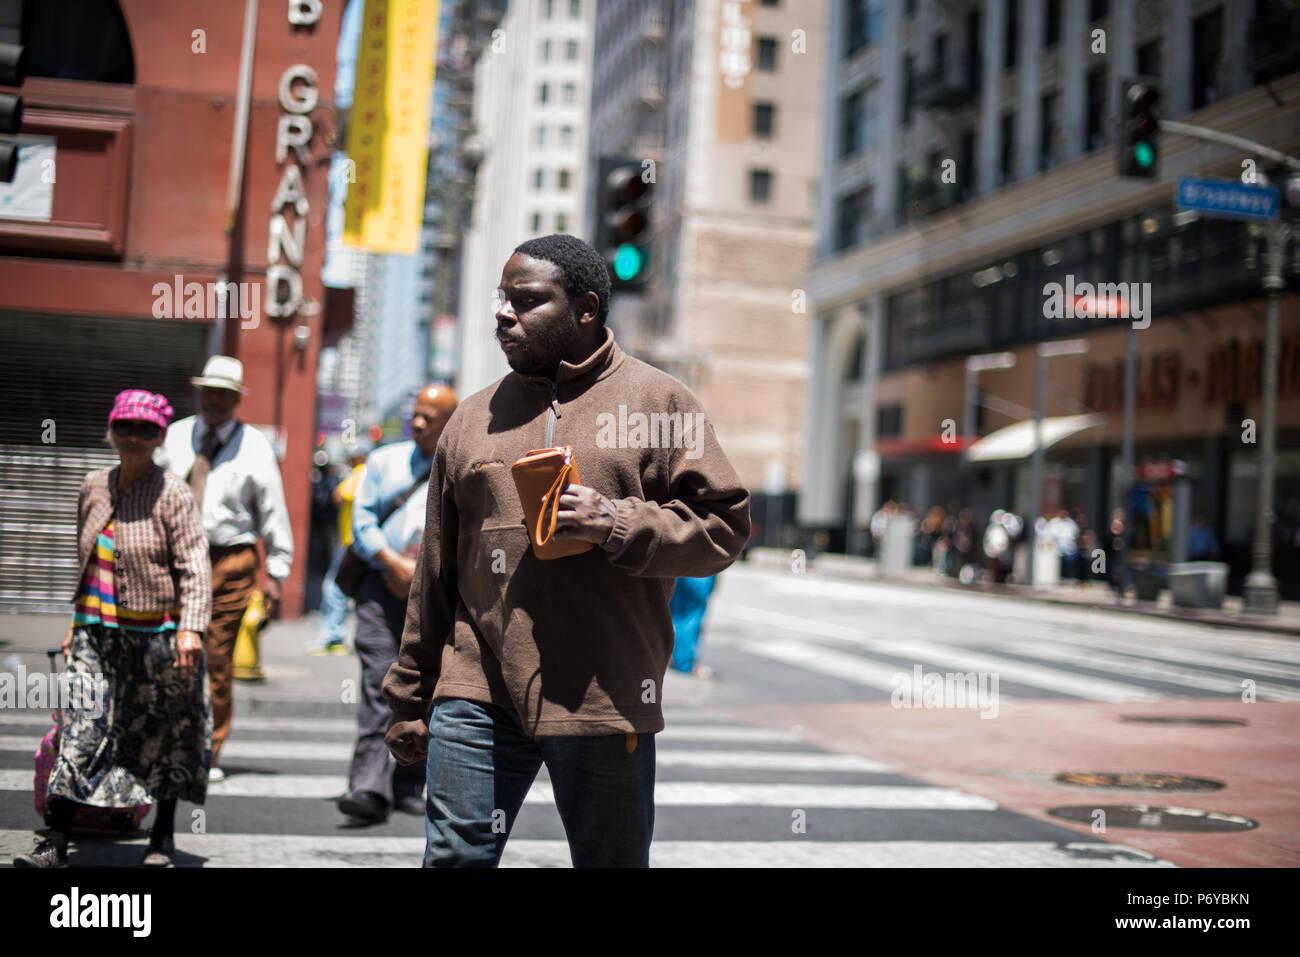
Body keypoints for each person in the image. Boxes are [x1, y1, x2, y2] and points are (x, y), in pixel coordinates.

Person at [382, 234, 751, 867]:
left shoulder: (660, 404)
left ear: (584, 308)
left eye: (525, 301)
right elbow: (436, 573)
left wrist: (618, 523)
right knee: (454, 858)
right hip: (478, 690)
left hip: (606, 694)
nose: (504, 313)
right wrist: (411, 695)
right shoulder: (470, 421)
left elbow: (723, 529)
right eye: (503, 299)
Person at [15, 391, 212, 868]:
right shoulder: (92, 486)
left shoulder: (174, 493)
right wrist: (74, 621)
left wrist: (191, 629)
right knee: (80, 729)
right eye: (125, 426)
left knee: (164, 733)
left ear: (161, 435)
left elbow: (194, 566)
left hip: (160, 636)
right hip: (96, 634)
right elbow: (87, 563)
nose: (134, 436)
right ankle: (56, 845)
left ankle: (161, 838)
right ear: (111, 430)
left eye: (147, 429)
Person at [161, 355, 293, 782]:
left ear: (236, 399)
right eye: (209, 391)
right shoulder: (175, 436)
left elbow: (272, 510)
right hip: (176, 557)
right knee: (171, 651)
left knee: (216, 656)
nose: (215, 399)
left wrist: (276, 572)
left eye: (224, 394)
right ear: (200, 392)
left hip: (231, 560)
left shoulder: (254, 445)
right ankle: (169, 741)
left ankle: (210, 751)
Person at [337, 386, 459, 824]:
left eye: (431, 416)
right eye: (417, 414)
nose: (420, 422)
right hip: (379, 587)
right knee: (377, 684)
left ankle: (410, 780)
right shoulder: (384, 461)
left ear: (451, 420)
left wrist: (422, 575)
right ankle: (367, 786)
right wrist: (392, 562)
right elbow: (362, 521)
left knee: (430, 684)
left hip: (435, 597)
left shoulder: (460, 466)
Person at [310, 439, 372, 654]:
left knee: (334, 588)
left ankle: (333, 635)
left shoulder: (361, 472)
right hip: (351, 541)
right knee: (343, 588)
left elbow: (338, 495)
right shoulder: (365, 473)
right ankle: (334, 634)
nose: (349, 459)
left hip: (350, 541)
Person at [669, 575, 718, 677]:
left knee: (677, 609)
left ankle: (672, 656)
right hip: (700, 567)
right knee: (692, 612)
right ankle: (684, 663)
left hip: (677, 565)